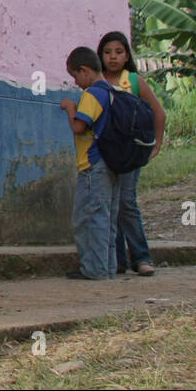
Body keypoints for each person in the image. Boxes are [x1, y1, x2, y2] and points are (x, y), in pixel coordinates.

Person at [97, 30, 166, 276]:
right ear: (100, 56)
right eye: (107, 52)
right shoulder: (98, 83)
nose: (113, 57)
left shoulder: (134, 82)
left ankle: (141, 257)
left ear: (127, 55)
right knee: (110, 205)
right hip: (105, 153)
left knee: (127, 202)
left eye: (118, 52)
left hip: (130, 153)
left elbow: (159, 112)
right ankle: (117, 261)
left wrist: (155, 145)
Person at [59, 47, 119, 280]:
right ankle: (108, 267)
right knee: (107, 219)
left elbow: (79, 126)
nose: (76, 82)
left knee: (87, 218)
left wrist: (69, 107)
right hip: (113, 163)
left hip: (94, 164)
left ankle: (93, 269)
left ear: (84, 70)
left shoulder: (93, 94)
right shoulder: (113, 92)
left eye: (75, 76)